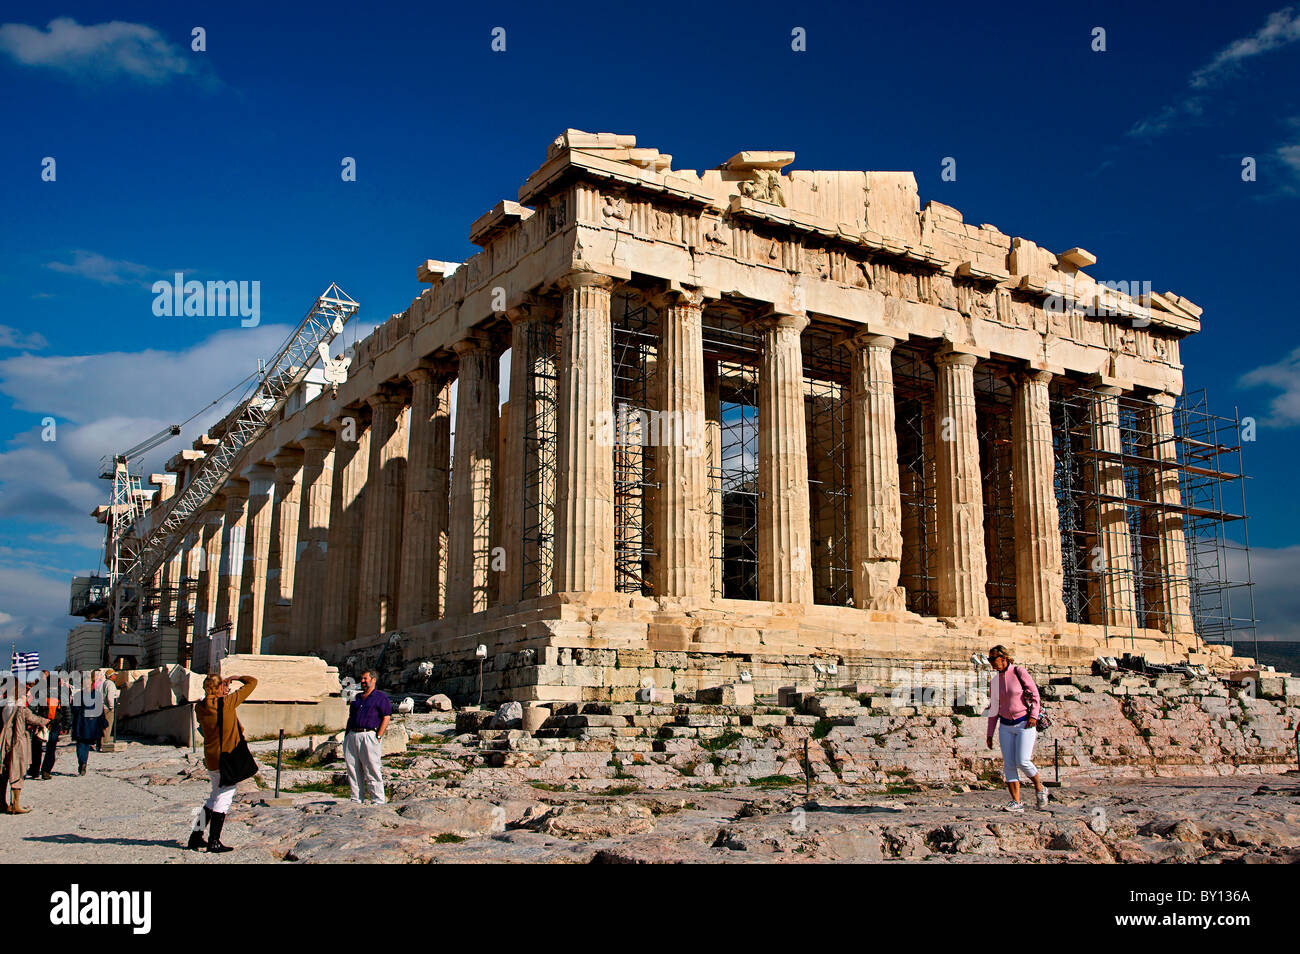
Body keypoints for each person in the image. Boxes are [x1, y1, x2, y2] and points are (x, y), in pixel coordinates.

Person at [192, 673, 258, 852]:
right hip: (227, 757)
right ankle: (214, 841)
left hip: (211, 757)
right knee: (224, 796)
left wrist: (221, 688)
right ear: (220, 688)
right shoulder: (227, 703)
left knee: (214, 796)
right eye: (224, 686)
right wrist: (237, 677)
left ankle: (195, 836)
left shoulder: (200, 707)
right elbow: (252, 683)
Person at [985, 645, 1047, 812]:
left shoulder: (1019, 672)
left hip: (1024, 723)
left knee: (1022, 760)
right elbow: (994, 708)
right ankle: (1016, 802)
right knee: (1009, 764)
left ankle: (1039, 787)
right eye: (989, 660)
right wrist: (989, 733)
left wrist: (1034, 715)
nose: (991, 663)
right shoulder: (995, 682)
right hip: (1005, 725)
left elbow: (1034, 694)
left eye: (993, 659)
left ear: (1003, 658)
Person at [1, 676, 49, 814]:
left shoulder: (4, 704)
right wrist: (45, 721)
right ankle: (15, 804)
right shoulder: (19, 706)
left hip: (4, 740)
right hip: (17, 741)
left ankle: (2, 803)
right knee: (17, 771)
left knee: (4, 773)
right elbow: (28, 720)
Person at [343, 669, 391, 805]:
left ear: (373, 680)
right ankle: (356, 799)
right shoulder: (356, 698)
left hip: (369, 735)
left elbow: (386, 717)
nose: (362, 681)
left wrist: (379, 736)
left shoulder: (381, 697)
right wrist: (347, 735)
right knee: (352, 768)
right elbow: (351, 717)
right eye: (362, 679)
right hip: (352, 735)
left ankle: (377, 800)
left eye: (365, 679)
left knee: (372, 768)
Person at [27, 671, 68, 780]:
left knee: (36, 747)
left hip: (41, 723)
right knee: (51, 748)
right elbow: (66, 710)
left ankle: (35, 770)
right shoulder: (61, 693)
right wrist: (66, 725)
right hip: (54, 724)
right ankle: (46, 771)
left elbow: (32, 707)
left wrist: (32, 721)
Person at [69, 678, 109, 776]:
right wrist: (103, 722)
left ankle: (82, 762)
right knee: (86, 744)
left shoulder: (78, 695)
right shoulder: (96, 695)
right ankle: (84, 762)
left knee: (81, 744)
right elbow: (100, 710)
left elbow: (74, 709)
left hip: (81, 723)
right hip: (91, 723)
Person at [96, 670, 118, 752]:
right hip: (108, 708)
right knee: (107, 727)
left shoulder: (105, 683)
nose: (115, 676)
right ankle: (104, 744)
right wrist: (112, 707)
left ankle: (100, 744)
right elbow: (110, 697)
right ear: (110, 676)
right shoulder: (111, 684)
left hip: (103, 707)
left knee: (103, 726)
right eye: (114, 675)